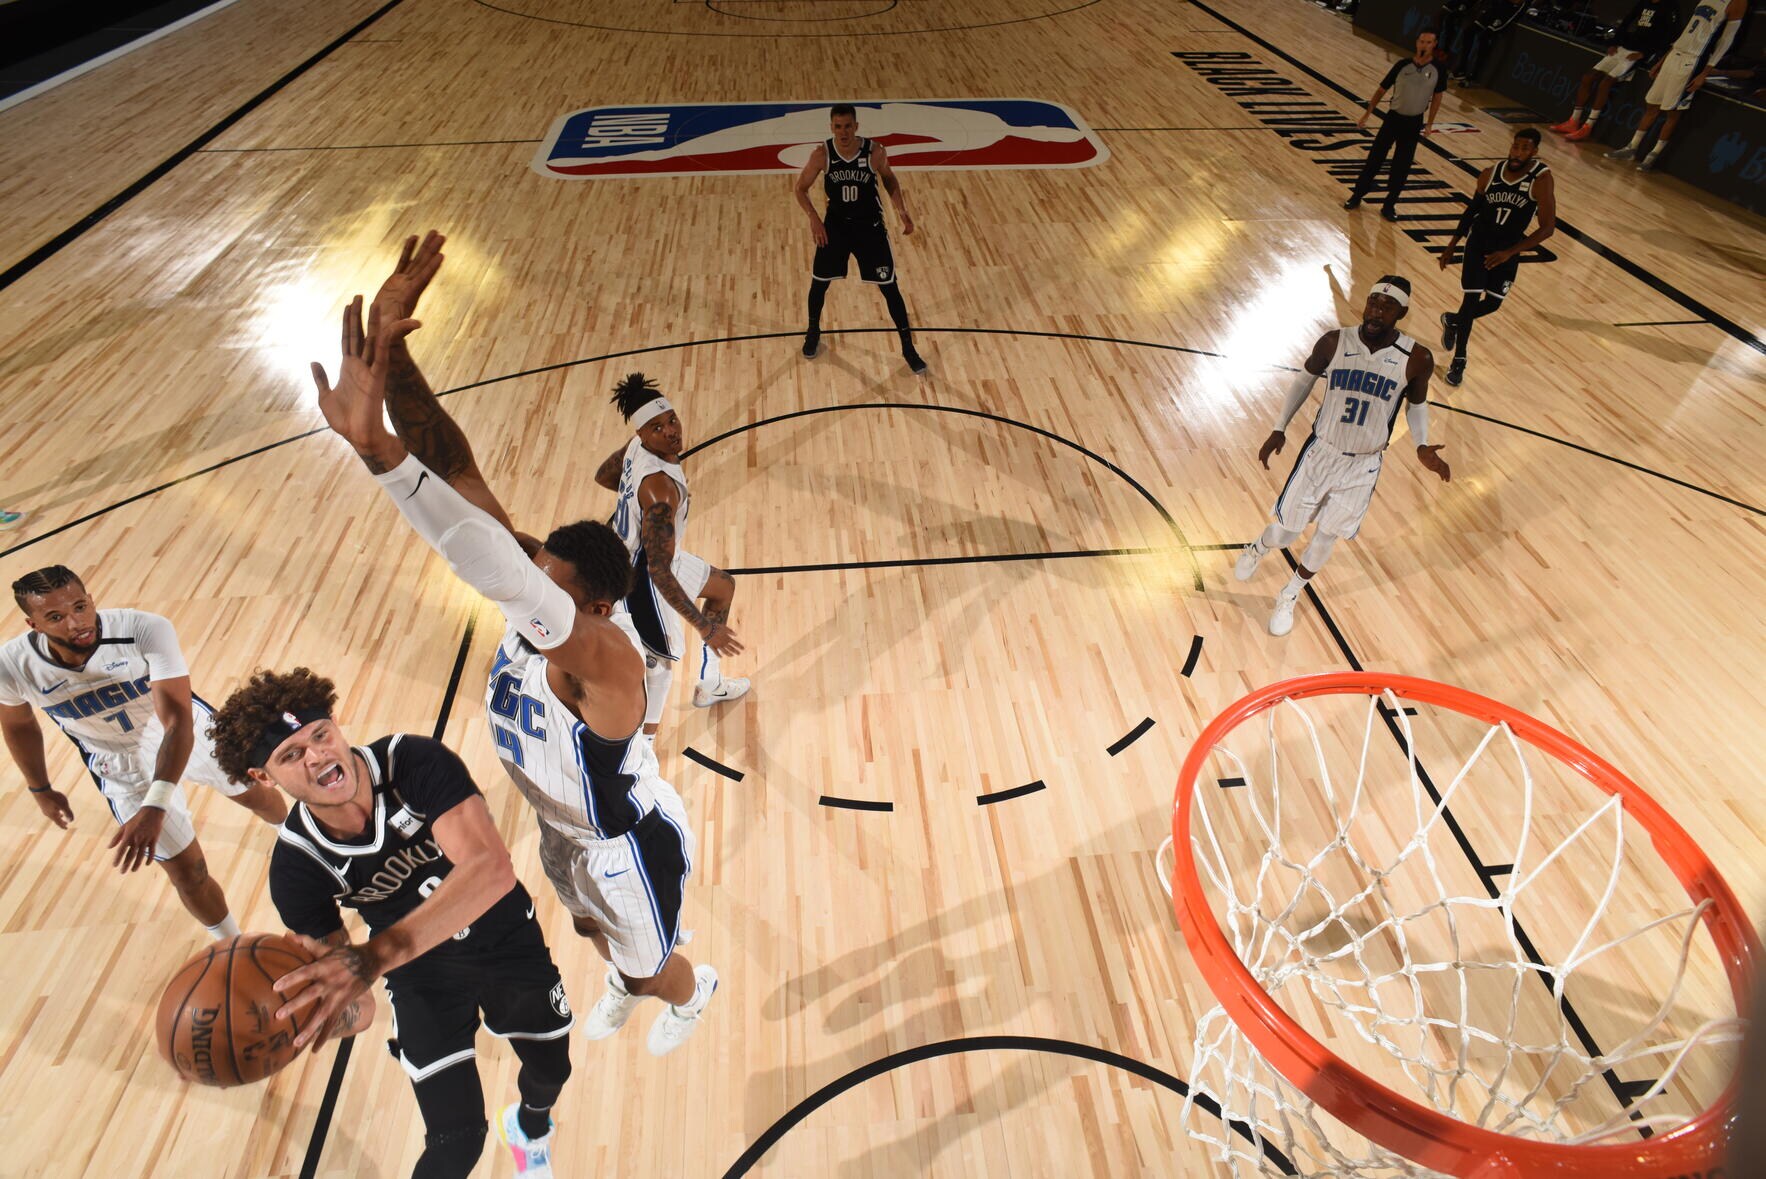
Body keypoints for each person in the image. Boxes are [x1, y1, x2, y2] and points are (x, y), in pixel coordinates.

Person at [315, 233, 720, 1057]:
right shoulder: (548, 581)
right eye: (537, 564)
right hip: (562, 828)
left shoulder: (608, 660)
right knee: (583, 924)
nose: (533, 583)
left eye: (550, 582)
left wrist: (380, 457)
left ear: (596, 606)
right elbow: (456, 463)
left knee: (651, 964)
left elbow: (498, 569)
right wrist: (392, 358)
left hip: (624, 841)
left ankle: (686, 990)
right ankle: (621, 971)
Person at [212, 668, 569, 1179]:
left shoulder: (412, 762)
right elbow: (357, 1009)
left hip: (503, 938)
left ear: (336, 723)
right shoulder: (296, 867)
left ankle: (530, 1130)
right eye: (290, 755)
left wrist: (373, 957)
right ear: (263, 778)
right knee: (455, 1145)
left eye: (320, 734)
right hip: (420, 974)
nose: (317, 756)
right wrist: (293, 1020)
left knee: (551, 1069)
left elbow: (490, 869)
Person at [0, 567, 284, 938]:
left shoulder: (144, 628)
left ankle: (294, 836)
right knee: (187, 873)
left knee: (254, 795)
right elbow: (19, 725)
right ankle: (233, 948)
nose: (76, 623)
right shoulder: (11, 665)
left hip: (185, 730)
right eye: (56, 617)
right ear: (33, 624)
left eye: (80, 607)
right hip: (119, 762)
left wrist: (157, 804)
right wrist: (40, 788)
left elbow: (177, 721)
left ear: (91, 600)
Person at [1234, 277, 1452, 637]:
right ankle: (1258, 547)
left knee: (1326, 537)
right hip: (1322, 452)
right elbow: (1303, 381)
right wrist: (1279, 427)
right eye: (1373, 302)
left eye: (1386, 307)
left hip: (1363, 464)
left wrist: (1422, 445)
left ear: (1402, 312)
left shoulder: (1417, 358)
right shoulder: (1335, 341)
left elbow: (1417, 403)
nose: (1376, 312)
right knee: (1287, 533)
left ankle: (1290, 593)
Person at [594, 372, 749, 742]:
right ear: (642, 433)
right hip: (642, 578)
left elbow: (603, 475)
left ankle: (709, 684)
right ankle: (644, 747)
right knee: (660, 666)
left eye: (671, 420)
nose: (671, 431)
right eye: (657, 428)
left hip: (653, 555)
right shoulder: (661, 491)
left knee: (723, 587)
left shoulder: (636, 449)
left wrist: (631, 501)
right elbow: (659, 571)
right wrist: (706, 627)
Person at [794, 103, 927, 374]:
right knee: (819, 284)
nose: (843, 132)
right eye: (837, 126)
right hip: (836, 228)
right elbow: (800, 189)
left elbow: (889, 179)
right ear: (831, 127)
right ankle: (812, 331)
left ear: (856, 126)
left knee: (890, 288)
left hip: (870, 228)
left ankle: (908, 348)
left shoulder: (874, 152)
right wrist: (815, 220)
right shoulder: (822, 154)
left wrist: (902, 212)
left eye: (847, 126)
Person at [1437, 129, 1555, 386]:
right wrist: (1452, 245)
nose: (1517, 153)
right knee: (1470, 301)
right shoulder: (1490, 174)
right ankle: (1459, 361)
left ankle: (1453, 320)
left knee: (1493, 304)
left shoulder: (1541, 179)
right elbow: (1471, 211)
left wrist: (1510, 253)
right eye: (1515, 147)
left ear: (1534, 153)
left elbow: (1547, 228)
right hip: (1479, 244)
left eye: (1525, 149)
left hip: (1508, 249)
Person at [1607, 0, 1747, 170]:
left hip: (1693, 59)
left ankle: (1653, 155)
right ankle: (1632, 147)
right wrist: (1662, 60)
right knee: (1652, 104)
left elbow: (1726, 41)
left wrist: (1705, 72)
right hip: (1675, 53)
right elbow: (1687, 31)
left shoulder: (1737, 2)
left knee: (1673, 111)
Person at [1345, 31, 1448, 222]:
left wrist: (1430, 123)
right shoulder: (1402, 65)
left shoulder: (1438, 69)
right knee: (1375, 158)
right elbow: (1382, 89)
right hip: (1393, 119)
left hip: (1414, 122)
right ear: (1417, 43)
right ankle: (1357, 196)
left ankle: (1389, 205)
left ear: (1434, 44)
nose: (1424, 45)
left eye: (1429, 42)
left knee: (1402, 165)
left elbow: (1437, 97)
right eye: (1422, 41)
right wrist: (1367, 113)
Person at [1548, 0, 1680, 141]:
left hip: (1637, 53)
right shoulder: (1644, 3)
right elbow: (1627, 20)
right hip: (1624, 47)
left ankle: (1588, 126)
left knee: (1605, 83)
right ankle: (1574, 121)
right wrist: (1614, 42)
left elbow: (1668, 37)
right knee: (1588, 77)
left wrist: (1646, 53)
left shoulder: (1670, 7)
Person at [1457, 0, 1525, 83]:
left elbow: (1518, 2)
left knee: (1485, 36)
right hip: (1498, 6)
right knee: (1469, 31)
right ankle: (1462, 68)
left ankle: (1474, 74)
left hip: (1510, 10)